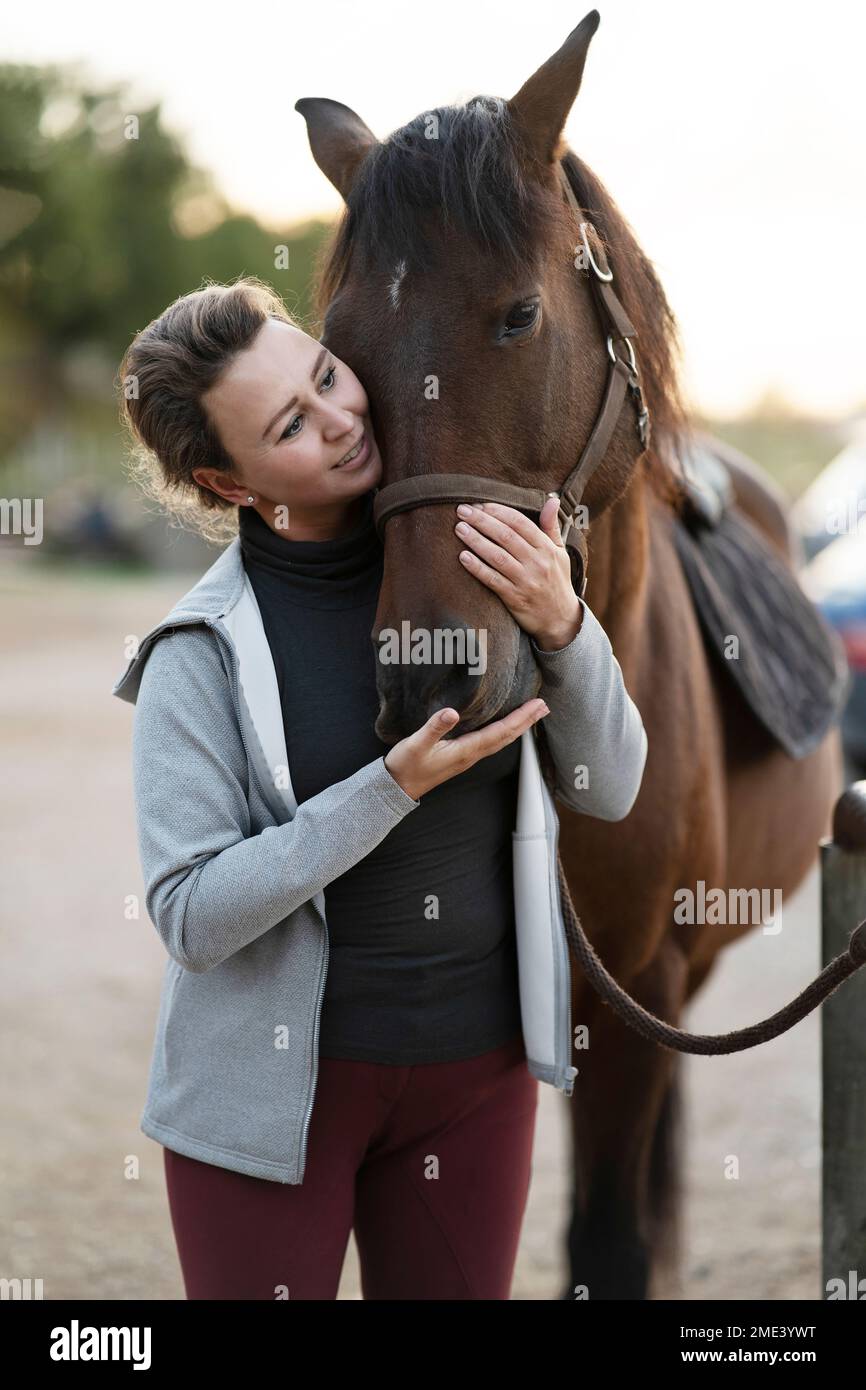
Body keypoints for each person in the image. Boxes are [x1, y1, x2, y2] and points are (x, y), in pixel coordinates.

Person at [113, 275, 648, 1300]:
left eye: (325, 375)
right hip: (267, 1110)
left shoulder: (479, 560)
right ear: (231, 485)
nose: (342, 419)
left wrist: (562, 626)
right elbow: (188, 913)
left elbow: (611, 787)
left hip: (474, 1089)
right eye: (291, 425)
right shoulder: (199, 652)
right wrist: (385, 789)